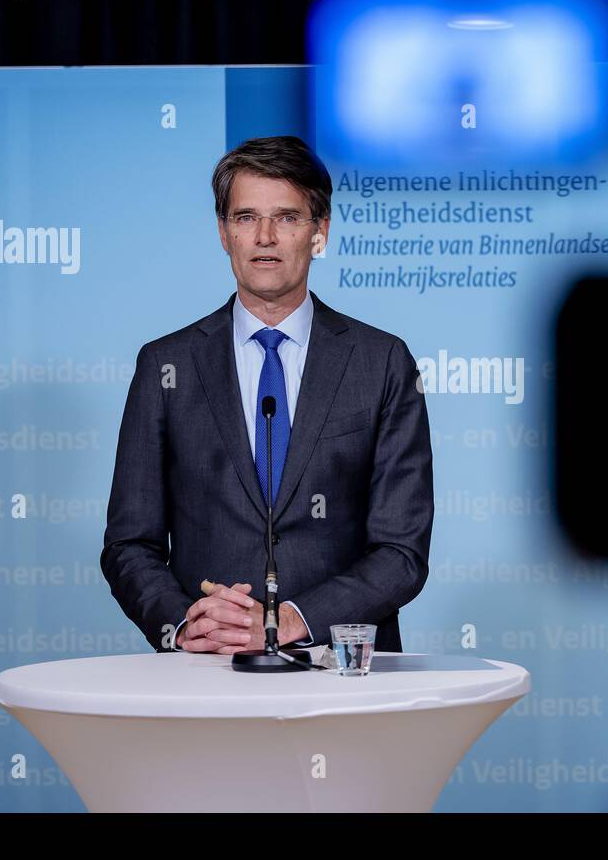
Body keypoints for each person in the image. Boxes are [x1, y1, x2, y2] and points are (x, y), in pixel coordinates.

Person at [101, 135, 434, 655]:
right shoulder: (166, 365)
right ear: (223, 232)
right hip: (209, 669)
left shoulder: (382, 362)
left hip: (342, 672)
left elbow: (401, 551)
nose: (264, 237)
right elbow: (129, 543)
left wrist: (291, 622)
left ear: (319, 231)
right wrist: (186, 624)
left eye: (287, 218)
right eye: (245, 217)